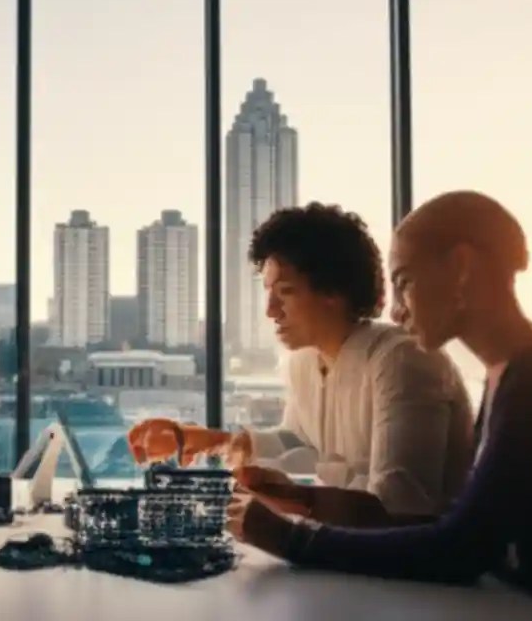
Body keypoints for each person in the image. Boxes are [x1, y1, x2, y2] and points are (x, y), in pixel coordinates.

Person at [226, 191, 532, 621]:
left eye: (405, 282)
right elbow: (463, 532)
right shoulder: (512, 372)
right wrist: (300, 504)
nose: (396, 310)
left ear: (461, 268)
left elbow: (461, 548)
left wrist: (291, 538)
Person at [129, 203, 472, 520]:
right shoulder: (305, 363)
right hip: (349, 554)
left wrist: (292, 497)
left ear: (333, 291)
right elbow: (300, 442)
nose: (271, 311)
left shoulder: (401, 360)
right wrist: (212, 441)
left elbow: (399, 506)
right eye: (269, 292)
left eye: (285, 292)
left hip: (423, 562)